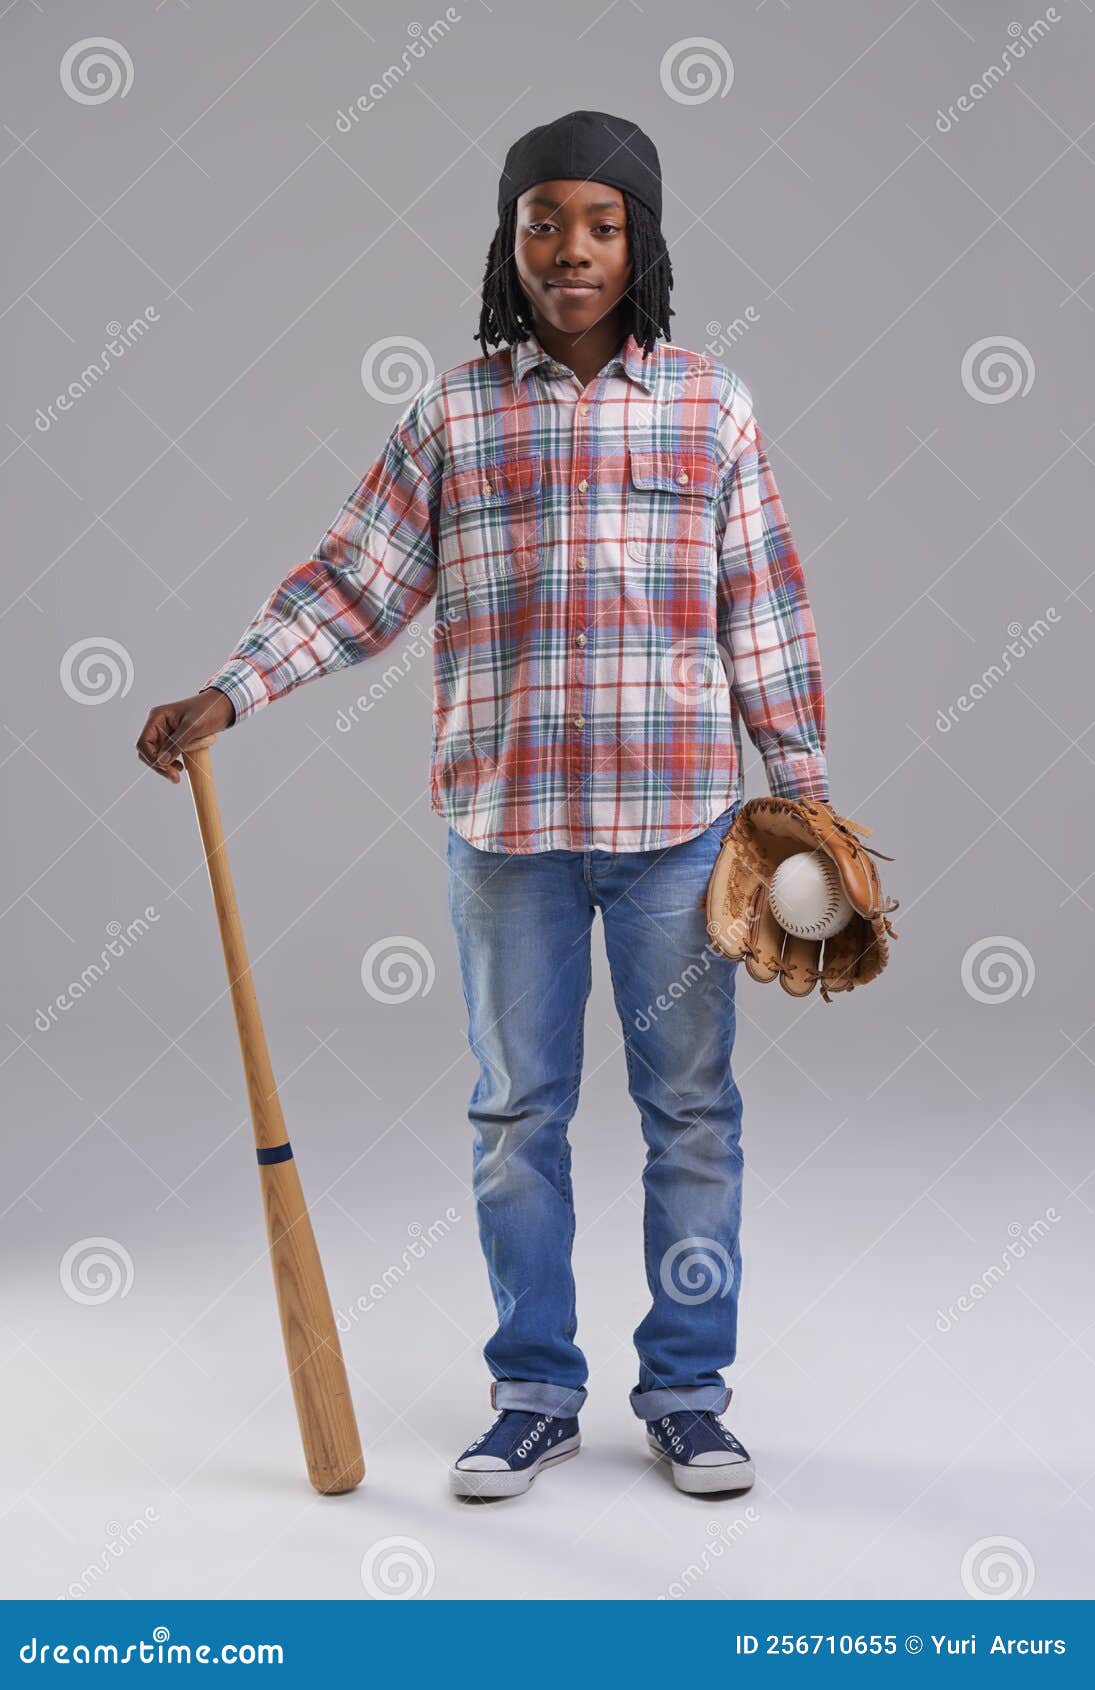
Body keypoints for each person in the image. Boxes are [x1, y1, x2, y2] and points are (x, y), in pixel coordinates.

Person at [136, 110, 830, 1502]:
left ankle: (688, 1390)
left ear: (643, 244)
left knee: (691, 1107)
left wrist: (803, 797)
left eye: (601, 224)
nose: (569, 250)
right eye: (541, 223)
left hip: (681, 834)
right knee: (518, 1111)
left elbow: (764, 610)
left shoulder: (710, 406)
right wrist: (229, 690)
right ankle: (534, 1387)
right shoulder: (454, 412)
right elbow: (356, 584)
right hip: (504, 828)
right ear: (507, 242)